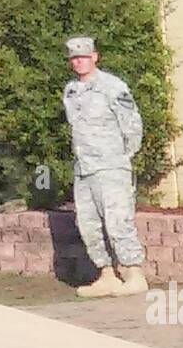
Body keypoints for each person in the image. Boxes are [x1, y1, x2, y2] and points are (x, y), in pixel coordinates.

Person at [63, 36, 147, 298]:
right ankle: (107, 275)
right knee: (88, 223)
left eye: (84, 57)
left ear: (95, 57)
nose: (79, 62)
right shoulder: (71, 90)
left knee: (117, 220)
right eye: (75, 58)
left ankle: (134, 274)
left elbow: (132, 125)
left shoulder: (112, 87)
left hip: (110, 166)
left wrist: (122, 158)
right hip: (84, 167)